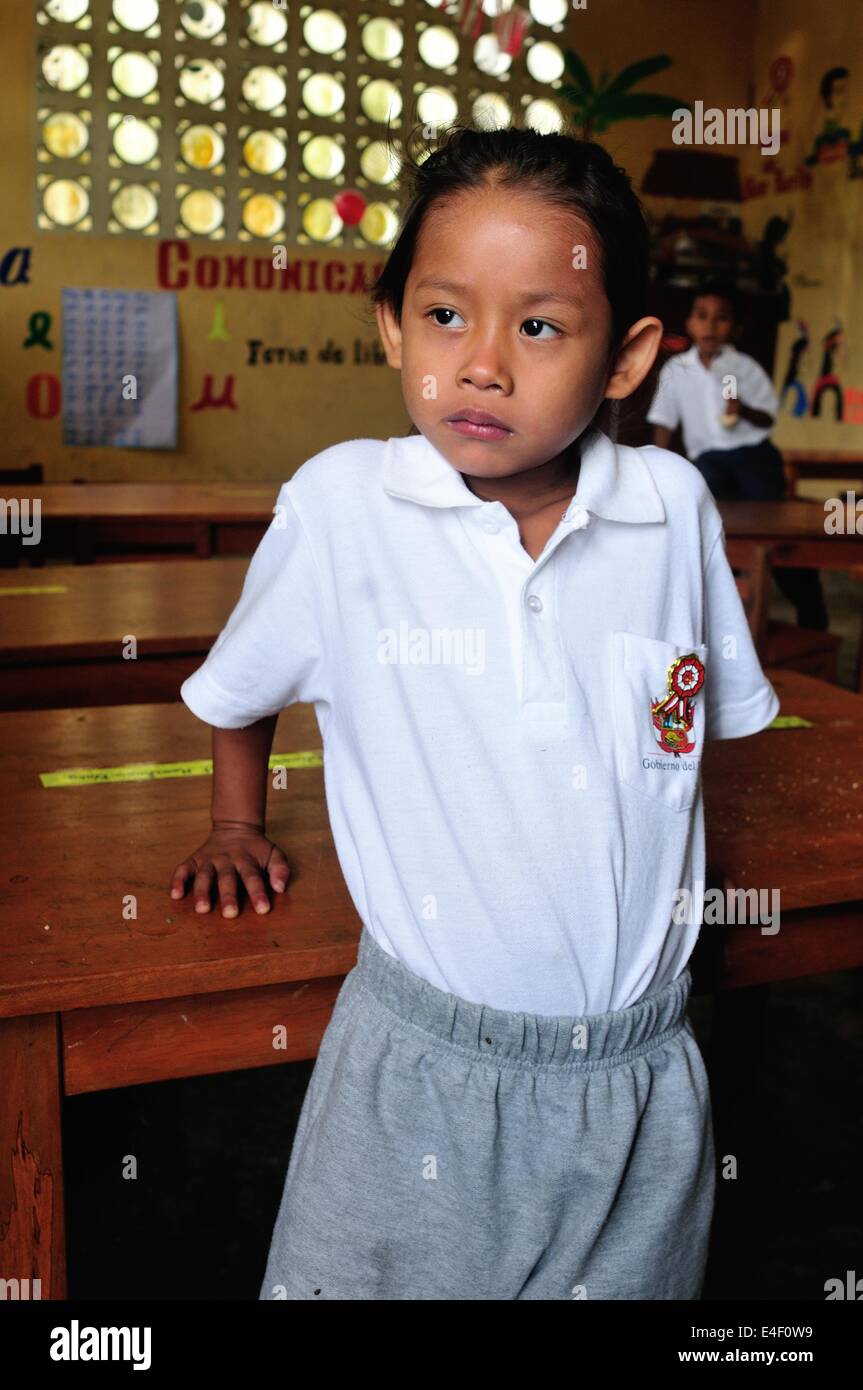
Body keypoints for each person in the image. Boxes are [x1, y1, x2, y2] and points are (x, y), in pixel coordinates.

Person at [170, 126, 780, 1301]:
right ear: (394, 323)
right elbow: (238, 690)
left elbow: (693, 735)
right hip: (420, 1078)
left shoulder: (671, 506)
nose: (482, 364)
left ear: (624, 357)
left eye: (539, 325)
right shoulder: (346, 503)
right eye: (444, 316)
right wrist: (238, 822)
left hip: (643, 1075)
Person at [647, 282, 829, 630]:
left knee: (778, 536)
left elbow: (767, 418)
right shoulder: (676, 371)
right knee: (715, 538)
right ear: (689, 323)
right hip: (710, 463)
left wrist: (742, 409)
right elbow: (663, 427)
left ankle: (810, 611)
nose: (710, 326)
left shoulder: (741, 368)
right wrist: (657, 473)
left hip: (753, 458)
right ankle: (724, 622)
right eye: (702, 317)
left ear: (735, 328)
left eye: (721, 319)